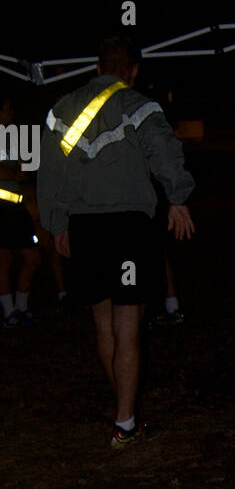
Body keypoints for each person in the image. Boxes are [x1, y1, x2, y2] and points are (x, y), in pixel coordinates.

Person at [37, 34, 195, 447]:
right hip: (127, 226)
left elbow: (49, 172)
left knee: (103, 324)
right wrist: (177, 198)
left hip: (84, 226)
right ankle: (124, 423)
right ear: (134, 70)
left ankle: (125, 416)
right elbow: (165, 151)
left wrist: (56, 224)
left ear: (97, 66)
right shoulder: (138, 105)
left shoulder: (61, 109)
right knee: (129, 327)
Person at [0, 92, 41, 327]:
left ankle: (20, 307)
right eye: (7, 107)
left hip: (16, 206)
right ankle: (9, 312)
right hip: (1, 207)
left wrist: (19, 170)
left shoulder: (11, 137)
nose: (11, 112)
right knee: (3, 260)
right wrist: (13, 171)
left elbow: (23, 168)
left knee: (32, 258)